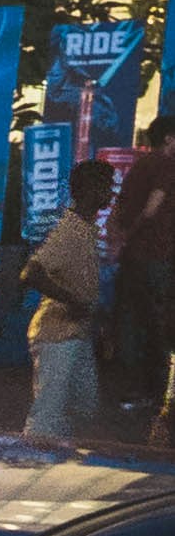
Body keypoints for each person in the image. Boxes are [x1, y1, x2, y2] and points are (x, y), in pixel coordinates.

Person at [23, 157, 112, 445]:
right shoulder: (70, 232)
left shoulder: (84, 229)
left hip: (75, 333)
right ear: (89, 190)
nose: (110, 194)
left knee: (83, 407)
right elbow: (30, 273)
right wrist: (73, 302)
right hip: (57, 334)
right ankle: (35, 467)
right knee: (48, 416)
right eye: (105, 187)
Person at [110, 113, 175, 389]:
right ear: (169, 139)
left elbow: (118, 209)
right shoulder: (166, 165)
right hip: (156, 256)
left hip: (132, 257)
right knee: (157, 322)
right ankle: (155, 389)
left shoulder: (138, 167)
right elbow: (151, 208)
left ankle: (127, 387)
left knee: (129, 317)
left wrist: (119, 240)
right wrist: (130, 234)